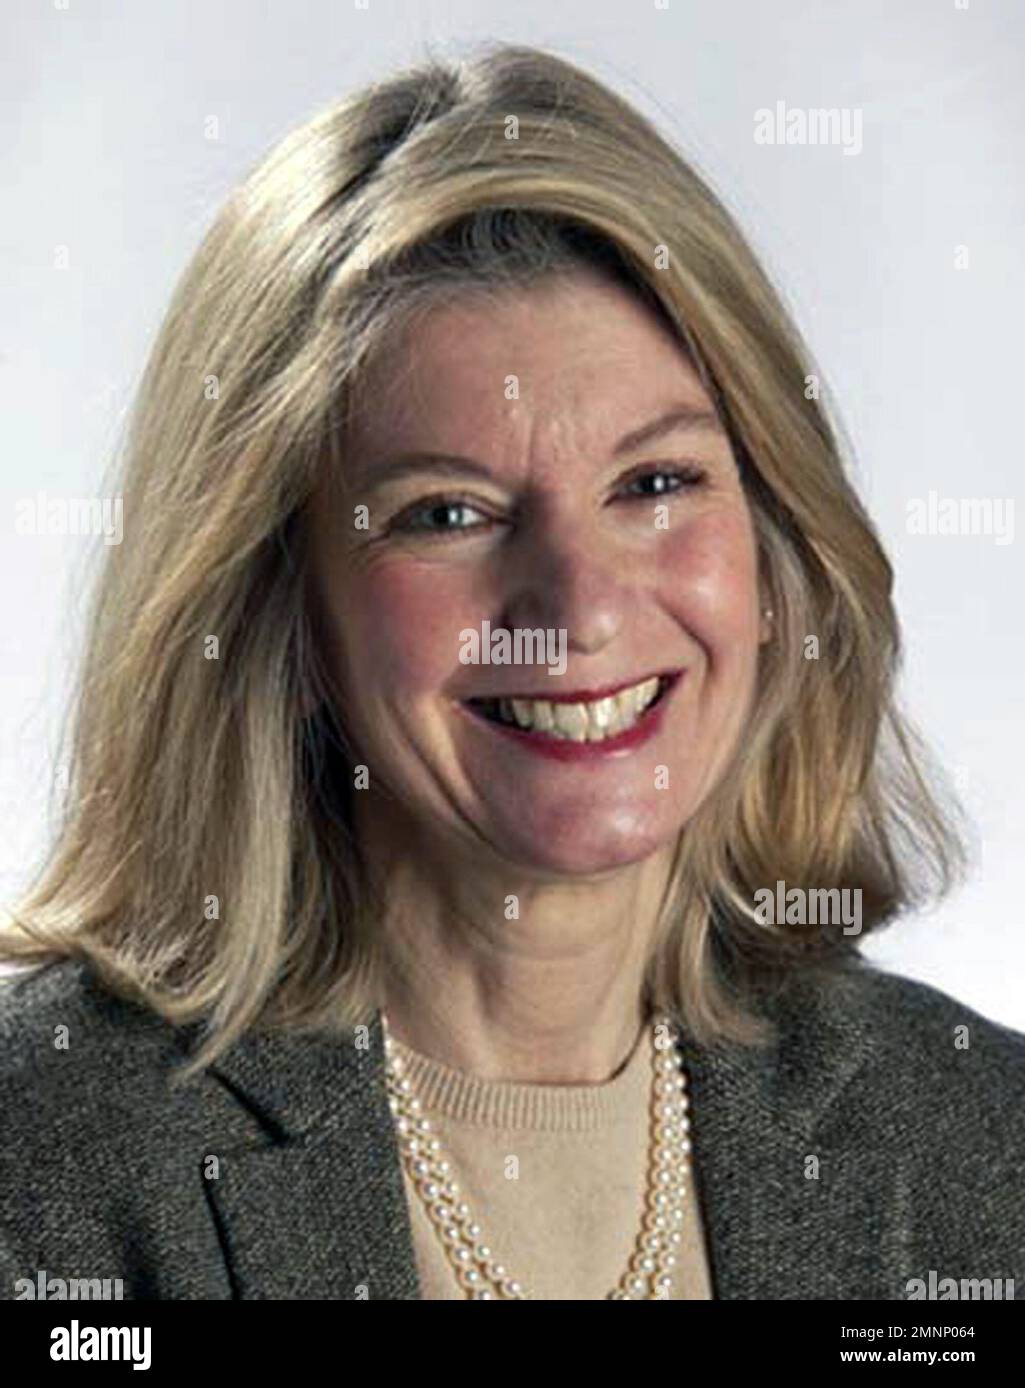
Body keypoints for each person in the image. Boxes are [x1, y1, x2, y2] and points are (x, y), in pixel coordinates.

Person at [2, 42, 1023, 1302]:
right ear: (279, 606)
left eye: (654, 484)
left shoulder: (984, 1139)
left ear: (770, 547)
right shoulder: (43, 1165)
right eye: (446, 513)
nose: (578, 610)